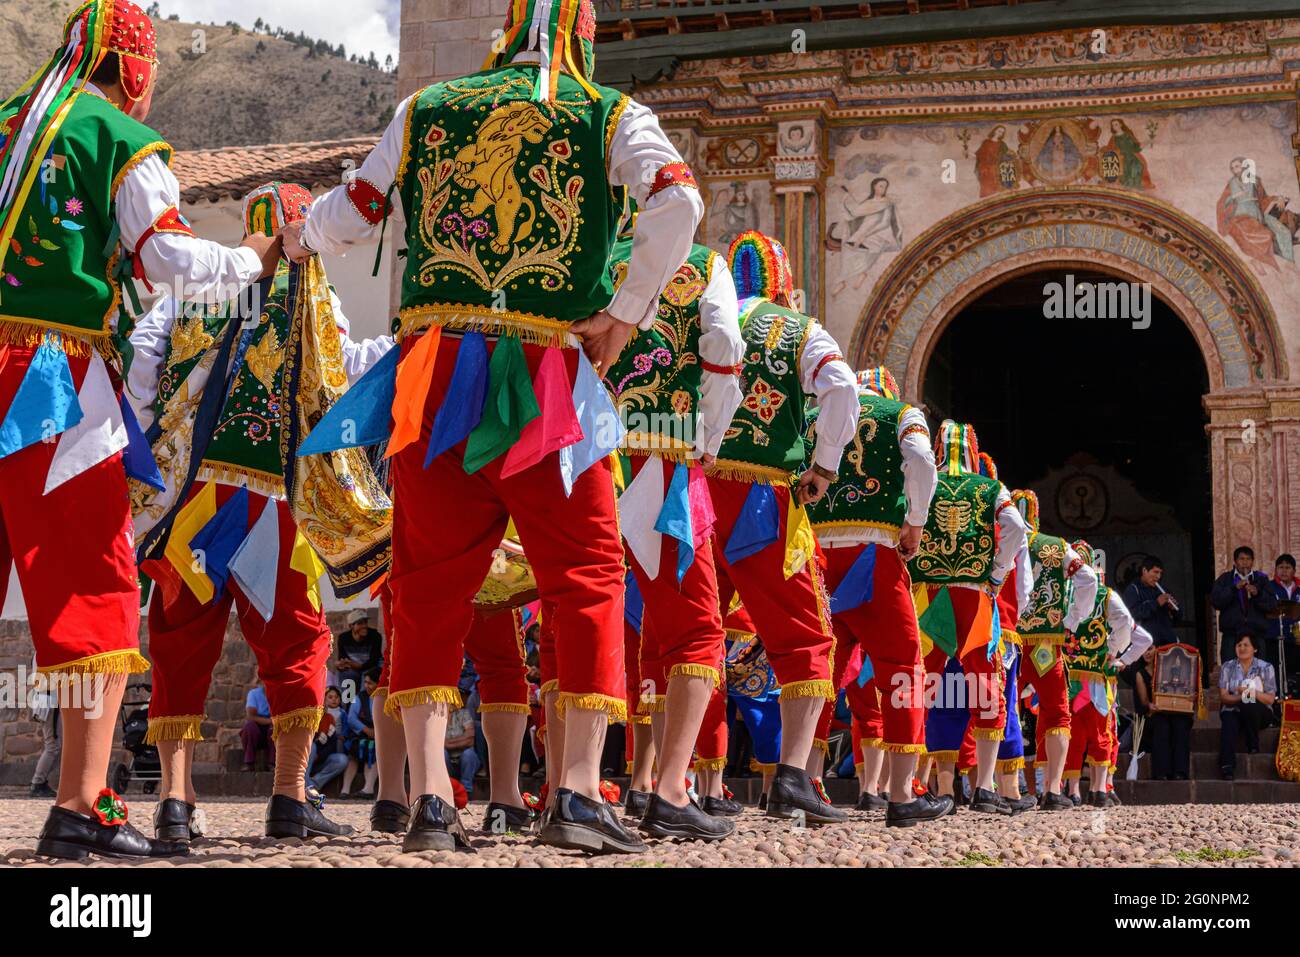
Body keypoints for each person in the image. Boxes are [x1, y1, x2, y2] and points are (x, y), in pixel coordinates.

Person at [282, 0, 702, 856]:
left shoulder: (425, 108)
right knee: (584, 573)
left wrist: (295, 238)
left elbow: (353, 211)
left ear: (500, 38)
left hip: (434, 382)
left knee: (428, 584)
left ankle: (431, 800)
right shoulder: (611, 113)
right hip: (548, 382)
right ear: (582, 42)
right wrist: (625, 312)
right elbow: (678, 202)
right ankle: (577, 793)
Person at [3, 0, 280, 861]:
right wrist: (253, 260)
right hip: (53, 381)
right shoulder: (117, 138)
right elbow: (166, 261)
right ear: (134, 67)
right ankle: (82, 802)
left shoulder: (11, 122)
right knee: (95, 581)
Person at [130, 182, 391, 845]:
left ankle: (174, 803)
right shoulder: (311, 295)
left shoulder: (195, 287)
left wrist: (142, 472)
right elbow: (345, 371)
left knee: (178, 644)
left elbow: (141, 369)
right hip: (271, 504)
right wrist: (408, 348)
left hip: (191, 505)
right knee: (299, 643)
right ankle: (286, 796)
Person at [702, 230, 859, 825]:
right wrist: (824, 464)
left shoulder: (699, 312)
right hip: (764, 500)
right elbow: (842, 386)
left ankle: (673, 783)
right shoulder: (798, 329)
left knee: (692, 635)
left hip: (690, 491)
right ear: (781, 280)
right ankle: (793, 777)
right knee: (806, 637)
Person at [603, 210, 744, 842]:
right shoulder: (703, 266)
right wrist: (708, 437)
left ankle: (561, 788)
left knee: (582, 612)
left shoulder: (590, 255)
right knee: (693, 628)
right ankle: (670, 788)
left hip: (581, 454)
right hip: (662, 449)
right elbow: (722, 346)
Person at [803, 366, 952, 826]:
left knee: (816, 669)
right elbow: (923, 461)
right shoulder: (902, 413)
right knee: (902, 667)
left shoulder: (812, 412)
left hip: (815, 555)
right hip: (874, 556)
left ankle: (805, 785)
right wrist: (917, 521)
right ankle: (903, 793)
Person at [910, 421, 1027, 814]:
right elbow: (1014, 527)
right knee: (985, 685)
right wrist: (997, 572)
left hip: (930, 594)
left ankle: (909, 782)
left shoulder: (925, 479)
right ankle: (985, 788)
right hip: (975, 596)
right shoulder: (990, 488)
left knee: (921, 684)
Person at [1010, 490, 1098, 810]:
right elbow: (1088, 579)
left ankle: (1002, 789)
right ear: (1036, 514)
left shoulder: (1001, 540)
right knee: (1057, 711)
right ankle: (1052, 790)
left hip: (1009, 642)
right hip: (1045, 645)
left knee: (1000, 708)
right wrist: (1073, 621)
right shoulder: (1056, 547)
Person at [1061, 543, 1153, 806]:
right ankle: (1100, 789)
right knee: (1101, 731)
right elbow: (1126, 623)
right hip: (1098, 677)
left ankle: (1073, 790)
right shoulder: (1105, 595)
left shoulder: (1062, 594)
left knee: (1072, 732)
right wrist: (1116, 656)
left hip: (1068, 677)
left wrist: (1116, 654)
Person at [1218, 633, 1277, 780]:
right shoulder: (1227, 667)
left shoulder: (1266, 667)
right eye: (1239, 645)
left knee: (1250, 704)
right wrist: (1241, 697)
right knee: (1229, 720)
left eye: (1246, 645)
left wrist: (1252, 693)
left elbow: (1270, 699)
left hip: (1260, 713)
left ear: (1255, 649)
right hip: (1234, 709)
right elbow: (1224, 696)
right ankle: (1227, 767)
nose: (1242, 648)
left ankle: (1253, 744)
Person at [1210, 547, 1277, 667]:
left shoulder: (1261, 579)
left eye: (1248, 559)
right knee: (1230, 672)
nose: (1245, 562)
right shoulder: (1225, 579)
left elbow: (1272, 604)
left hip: (1256, 634)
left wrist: (1257, 594)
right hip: (1232, 634)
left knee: (1258, 673)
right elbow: (1216, 601)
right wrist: (1234, 588)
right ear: (1235, 561)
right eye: (1241, 559)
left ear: (1253, 561)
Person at [1123, 555, 1182, 648]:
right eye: (1155, 572)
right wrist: (1156, 603)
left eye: (1160, 573)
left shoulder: (1163, 590)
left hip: (1167, 644)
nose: (1158, 576)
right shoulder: (1133, 590)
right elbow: (1133, 614)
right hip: (1146, 647)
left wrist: (1173, 609)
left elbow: (1178, 618)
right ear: (1144, 570)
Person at [343, 670, 381, 797]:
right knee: (353, 756)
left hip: (378, 738)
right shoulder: (357, 697)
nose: (366, 686)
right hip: (360, 736)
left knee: (373, 754)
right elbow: (351, 718)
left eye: (370, 683)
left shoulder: (383, 697)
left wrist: (377, 733)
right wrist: (366, 730)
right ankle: (345, 790)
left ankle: (368, 788)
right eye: (365, 682)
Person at [305, 687, 350, 792]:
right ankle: (305, 783)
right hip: (305, 762)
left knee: (342, 760)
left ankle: (314, 784)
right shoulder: (308, 718)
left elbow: (331, 743)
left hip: (321, 759)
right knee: (311, 746)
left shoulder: (330, 719)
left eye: (324, 703)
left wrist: (319, 755)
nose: (323, 705)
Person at [28, 654, 59, 798]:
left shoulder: (41, 652)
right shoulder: (44, 652)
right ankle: (38, 783)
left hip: (46, 700)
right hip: (48, 702)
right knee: (52, 746)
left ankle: (41, 781)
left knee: (53, 746)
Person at [335, 609, 383, 703]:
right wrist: (340, 665)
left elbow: (374, 660)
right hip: (352, 668)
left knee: (367, 679)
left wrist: (359, 666)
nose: (364, 626)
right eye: (360, 623)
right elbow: (342, 658)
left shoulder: (375, 636)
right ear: (351, 626)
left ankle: (364, 708)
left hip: (371, 667)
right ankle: (348, 707)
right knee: (347, 679)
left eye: (365, 622)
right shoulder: (343, 638)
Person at [1268, 553, 1299, 696]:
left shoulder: (1299, 588)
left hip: (1296, 641)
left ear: (1294, 570)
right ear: (1276, 570)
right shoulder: (1268, 588)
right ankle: (1278, 708)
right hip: (1274, 640)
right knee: (1277, 674)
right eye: (1281, 567)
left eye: (1288, 567)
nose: (1284, 571)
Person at [446, 701, 483, 795]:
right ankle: (447, 788)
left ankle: (466, 791)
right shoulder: (437, 718)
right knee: (441, 753)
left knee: (468, 754)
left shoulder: (463, 714)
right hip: (448, 761)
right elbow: (439, 743)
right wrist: (462, 740)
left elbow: (470, 739)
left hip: (466, 760)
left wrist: (449, 743)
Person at [241, 683, 275, 771]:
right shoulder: (254, 694)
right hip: (257, 730)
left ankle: (272, 764)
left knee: (275, 728)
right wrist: (269, 721)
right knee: (250, 727)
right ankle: (249, 763)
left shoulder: (277, 694)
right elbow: (250, 716)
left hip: (271, 730)